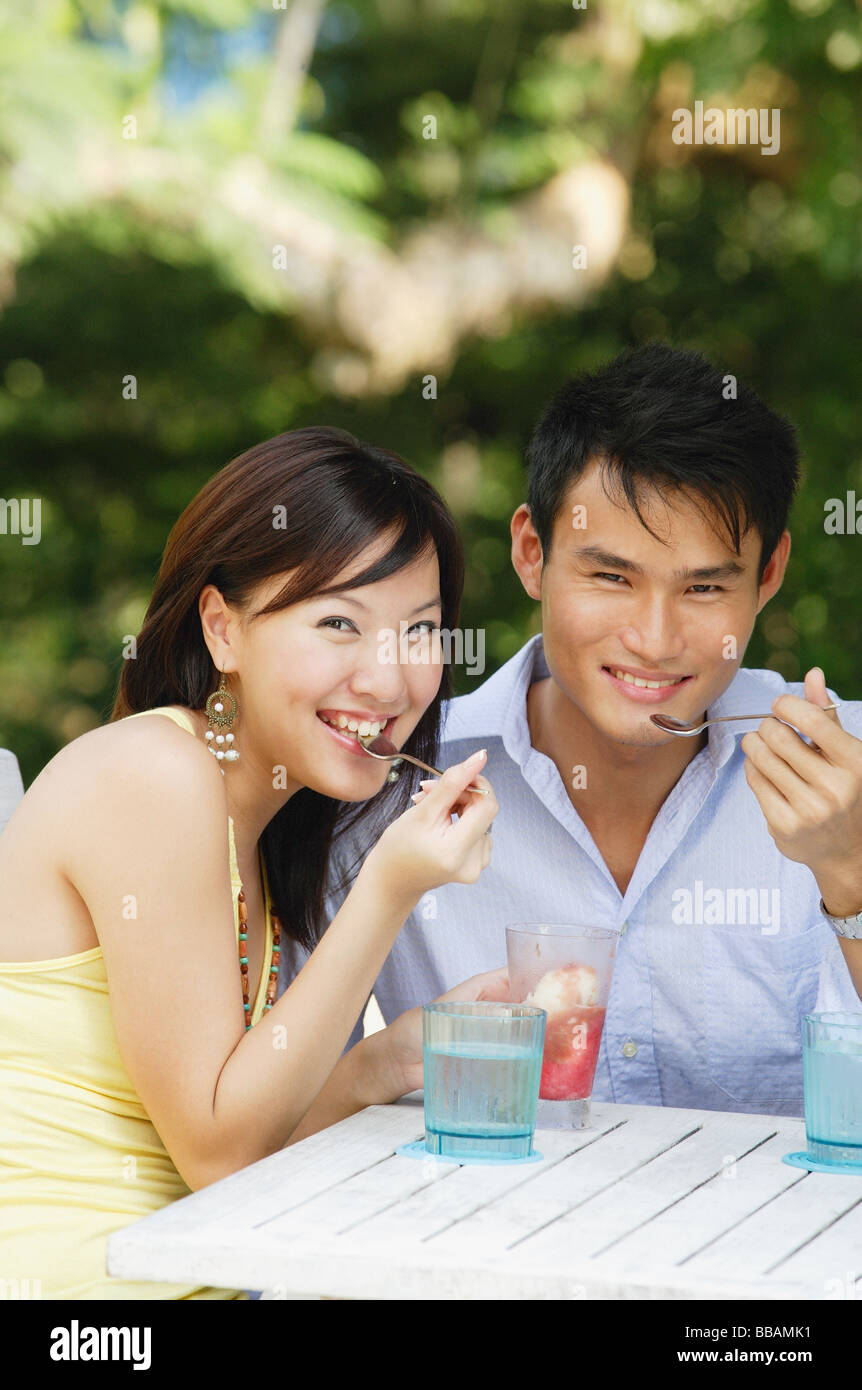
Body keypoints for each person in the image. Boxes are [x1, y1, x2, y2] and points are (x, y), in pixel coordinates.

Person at [0, 426, 501, 1300]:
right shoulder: (154, 776)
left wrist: (391, 1061)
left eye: (420, 632)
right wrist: (390, 884)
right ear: (223, 629)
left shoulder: (259, 827)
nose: (389, 681)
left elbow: (241, 1140)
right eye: (338, 623)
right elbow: (221, 1159)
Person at [308, 344, 862, 1120]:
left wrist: (851, 881)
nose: (655, 637)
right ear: (532, 554)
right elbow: (267, 1134)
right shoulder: (389, 781)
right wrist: (388, 1060)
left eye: (704, 587)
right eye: (612, 577)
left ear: (768, 576)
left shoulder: (849, 772)